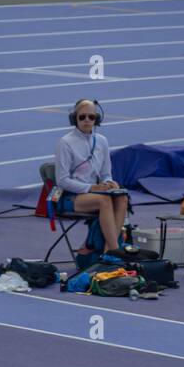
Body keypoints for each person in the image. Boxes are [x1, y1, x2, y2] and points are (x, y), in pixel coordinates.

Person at [54, 98, 128, 256]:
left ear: (97, 119)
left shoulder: (102, 141)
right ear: (74, 118)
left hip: (94, 193)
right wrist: (91, 187)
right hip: (69, 196)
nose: (87, 120)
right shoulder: (65, 143)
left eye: (91, 117)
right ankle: (115, 252)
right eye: (82, 117)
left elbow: (106, 173)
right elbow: (62, 180)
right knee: (104, 201)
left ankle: (109, 250)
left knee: (122, 197)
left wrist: (109, 183)